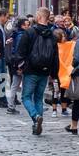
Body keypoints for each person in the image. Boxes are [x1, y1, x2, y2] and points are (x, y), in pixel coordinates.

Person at [16, 7, 57, 136]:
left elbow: (21, 52)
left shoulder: (30, 32)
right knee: (38, 98)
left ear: (39, 17)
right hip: (45, 71)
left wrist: (19, 66)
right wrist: (53, 73)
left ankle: (35, 117)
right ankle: (37, 122)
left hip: (31, 70)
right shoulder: (52, 34)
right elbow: (56, 56)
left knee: (26, 97)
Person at [55, 28, 76, 116]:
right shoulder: (55, 46)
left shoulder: (68, 44)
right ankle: (54, 109)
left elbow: (73, 44)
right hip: (56, 71)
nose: (64, 37)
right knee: (55, 91)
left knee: (64, 91)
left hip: (65, 71)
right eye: (62, 36)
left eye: (64, 35)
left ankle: (64, 109)